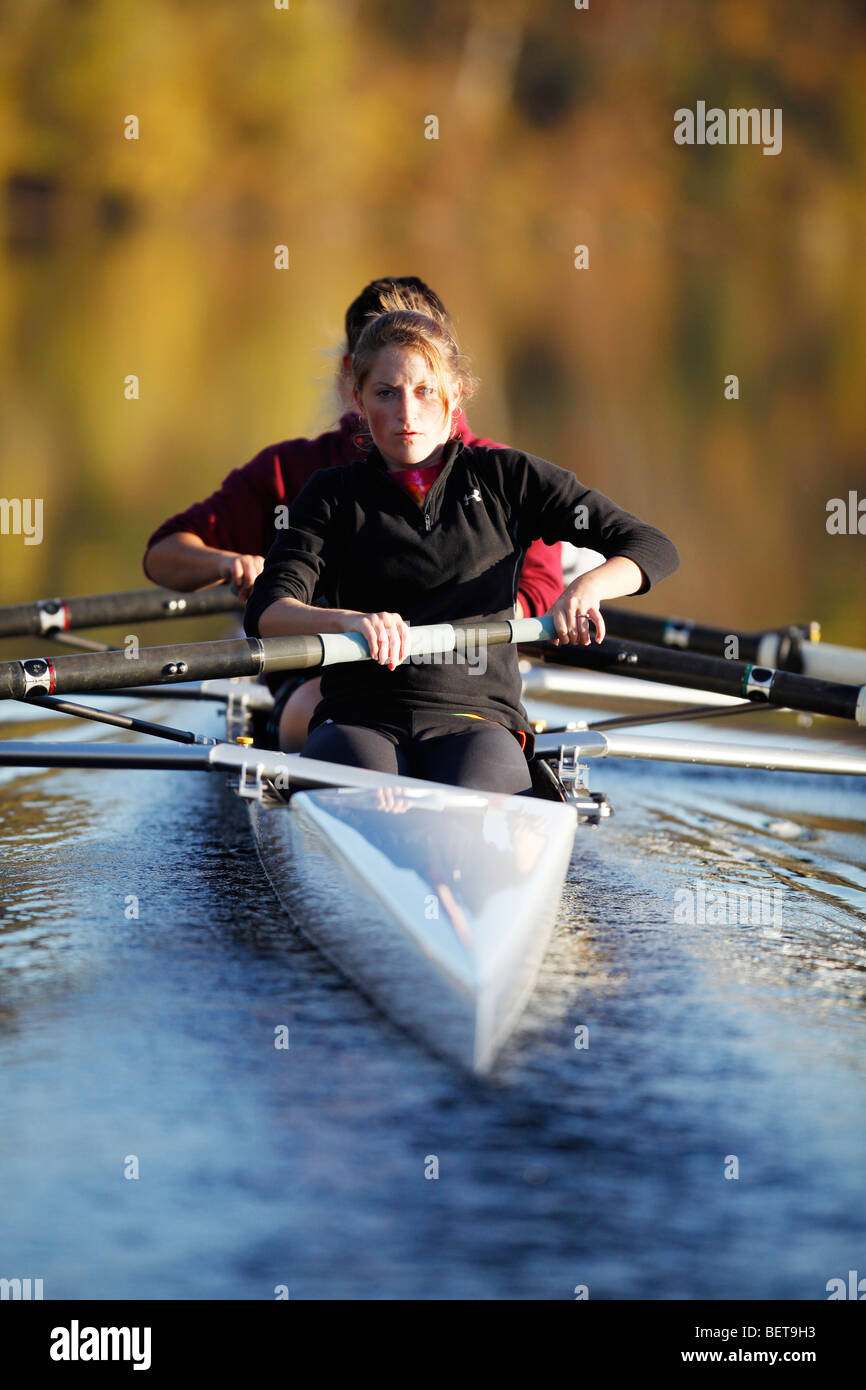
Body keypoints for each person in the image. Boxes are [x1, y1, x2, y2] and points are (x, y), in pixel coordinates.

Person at [244, 310, 679, 792]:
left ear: (455, 394)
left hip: (477, 719)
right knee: (363, 781)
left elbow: (650, 546)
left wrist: (586, 588)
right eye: (386, 393)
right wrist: (348, 621)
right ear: (359, 402)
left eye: (425, 390)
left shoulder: (506, 477)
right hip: (358, 719)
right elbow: (268, 610)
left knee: (482, 788)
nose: (407, 414)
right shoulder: (331, 494)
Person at [142, 276, 563, 748]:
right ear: (352, 376)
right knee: (319, 705)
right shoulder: (292, 471)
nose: (406, 401)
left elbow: (542, 592)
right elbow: (164, 553)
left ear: (449, 376)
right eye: (386, 379)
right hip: (326, 684)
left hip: (462, 684)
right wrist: (227, 563)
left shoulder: (500, 473)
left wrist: (451, 629)